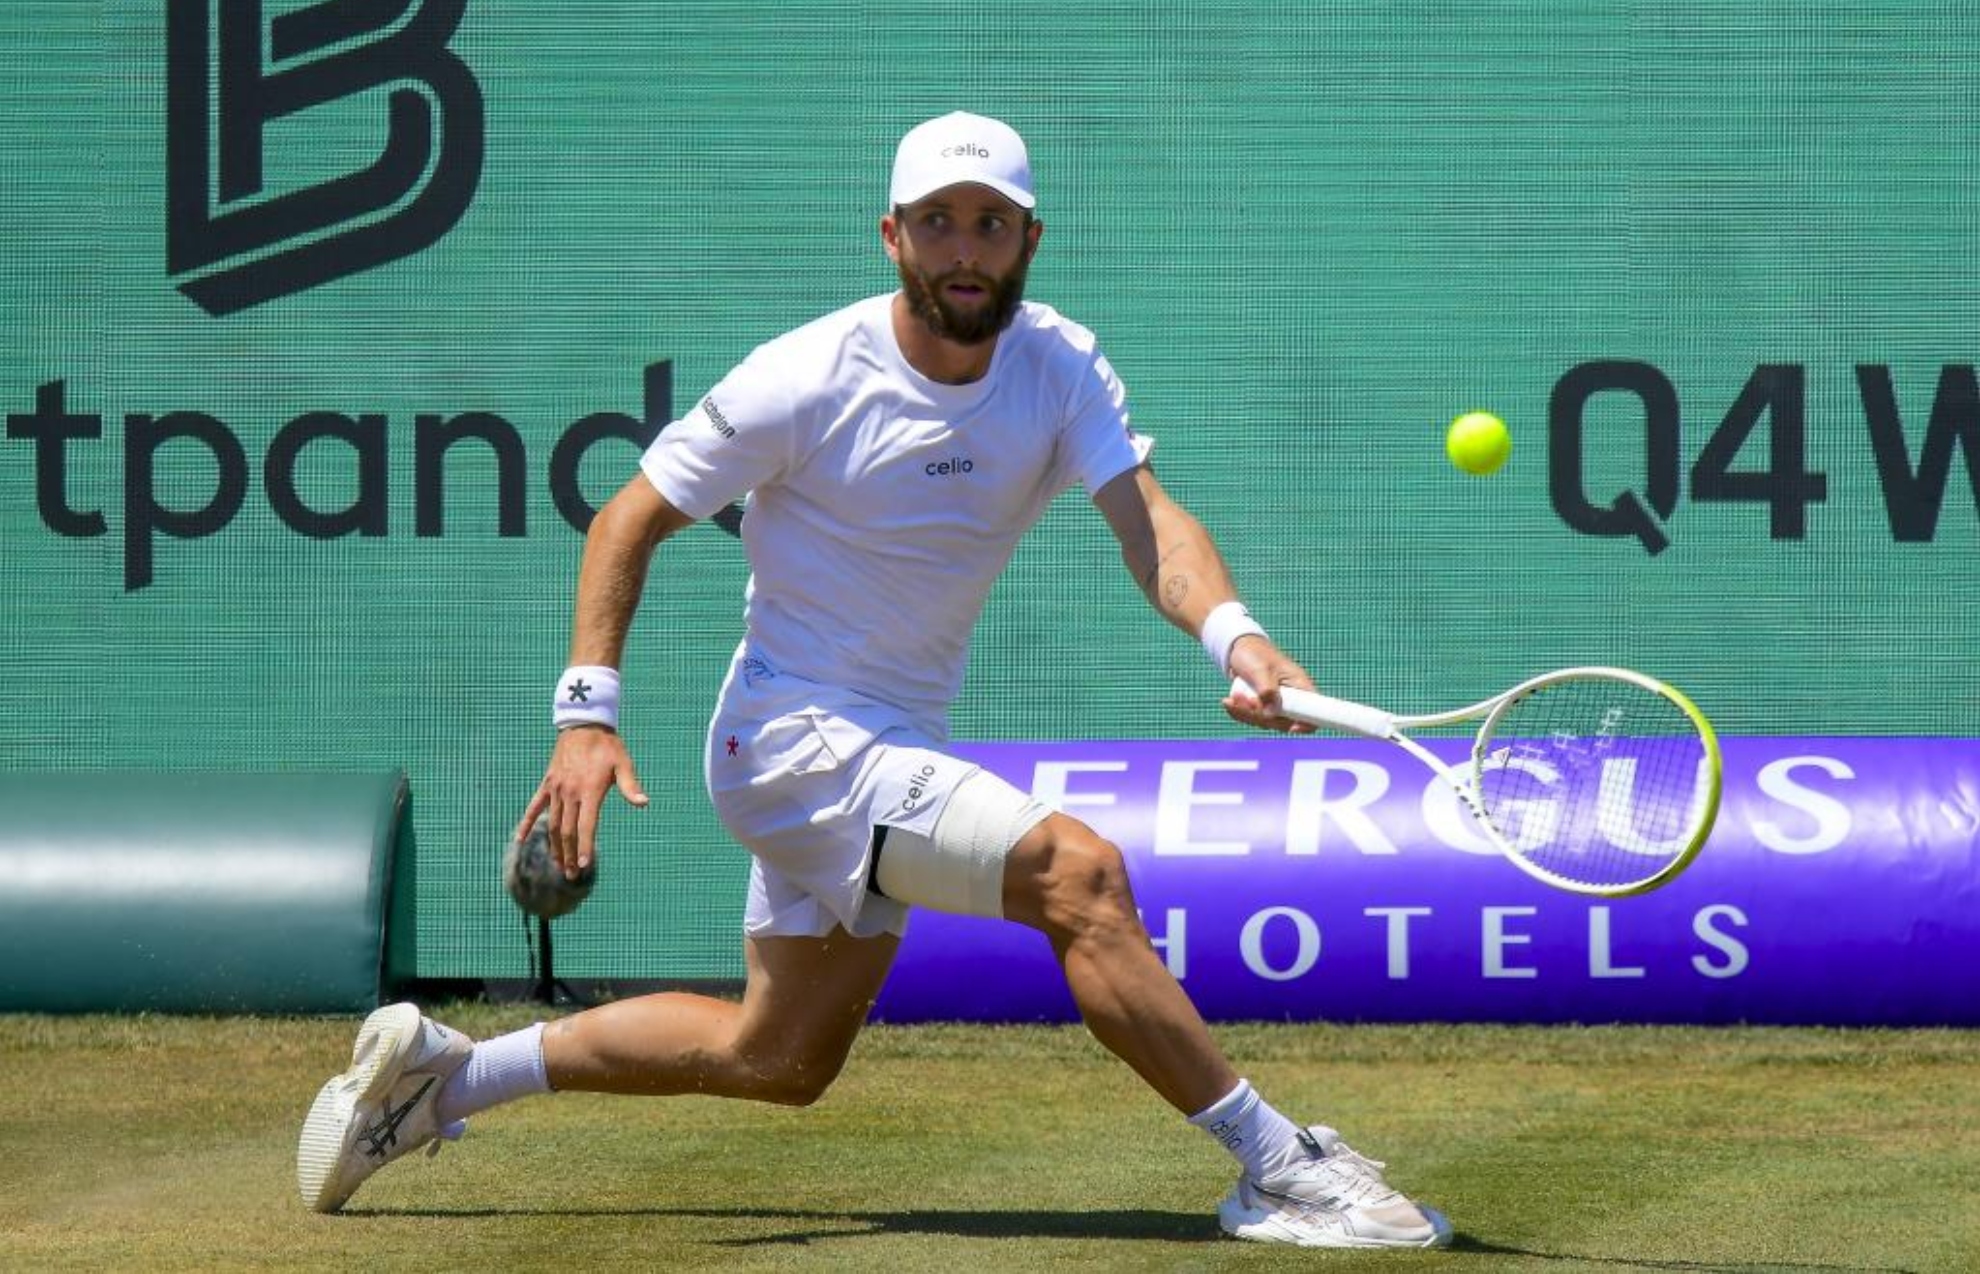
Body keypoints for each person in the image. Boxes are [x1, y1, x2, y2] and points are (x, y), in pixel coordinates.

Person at [296, 111, 1452, 1250]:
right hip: (792, 739)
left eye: (991, 223)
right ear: (891, 236)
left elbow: (1149, 525)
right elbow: (628, 518)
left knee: (776, 1057)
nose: (965, 249)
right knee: (1080, 876)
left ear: (1030, 240)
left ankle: (446, 1078)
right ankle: (1281, 1166)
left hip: (887, 740)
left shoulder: (1059, 364)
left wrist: (1236, 638)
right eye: (938, 222)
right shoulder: (805, 375)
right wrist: (585, 717)